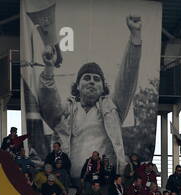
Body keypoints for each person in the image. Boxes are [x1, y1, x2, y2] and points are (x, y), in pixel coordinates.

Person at [38, 16, 142, 173]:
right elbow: (48, 105)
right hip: (69, 182)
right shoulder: (67, 111)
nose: (92, 82)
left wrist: (135, 38)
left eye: (97, 79)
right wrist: (48, 68)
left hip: (105, 181)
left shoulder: (113, 109)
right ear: (78, 86)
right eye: (86, 78)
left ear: (103, 88)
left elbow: (127, 78)